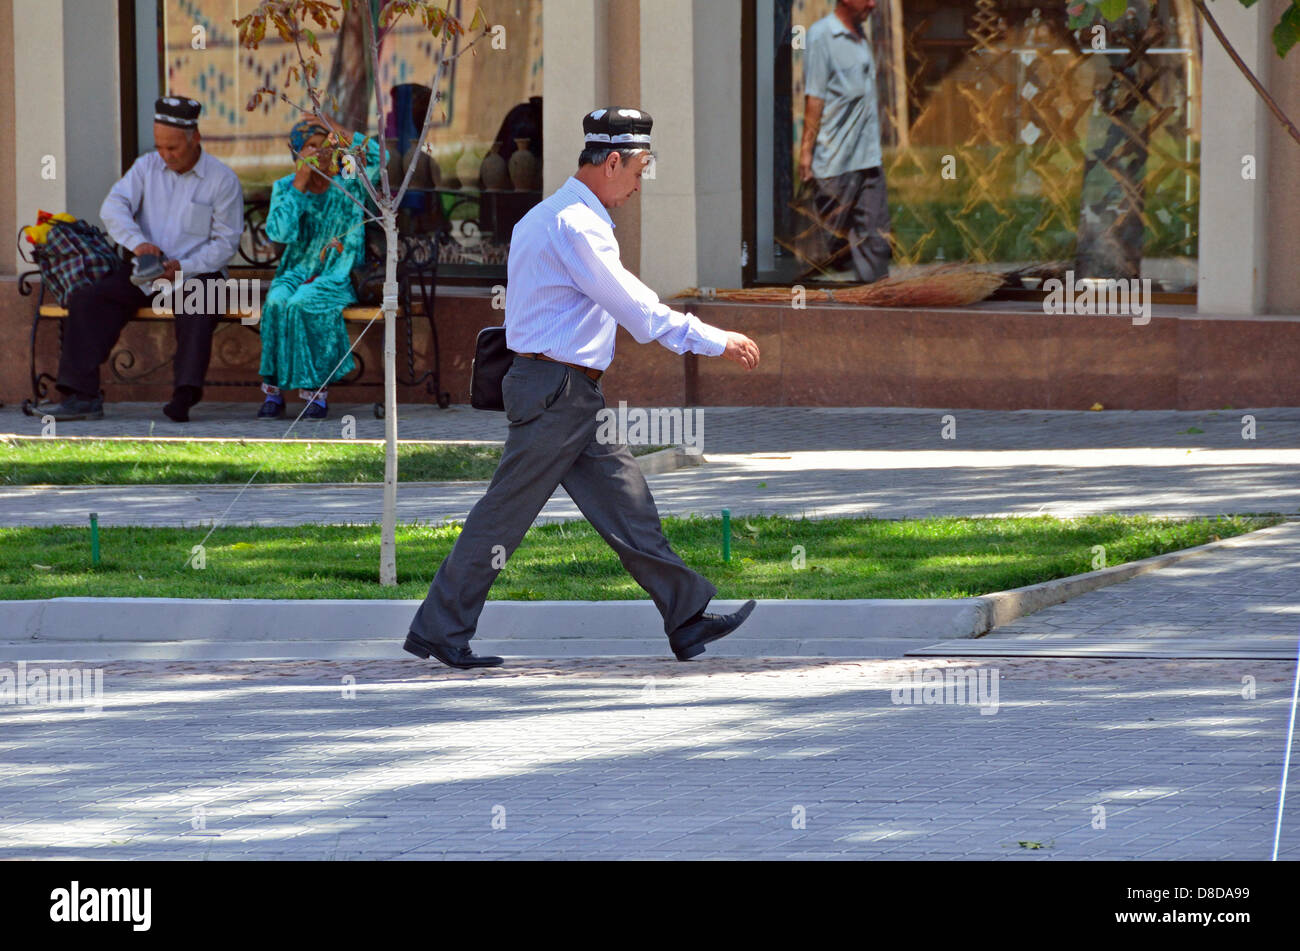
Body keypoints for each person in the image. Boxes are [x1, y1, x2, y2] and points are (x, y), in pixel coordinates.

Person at [404, 106, 762, 670]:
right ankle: (440, 629)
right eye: (639, 171)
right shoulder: (579, 226)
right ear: (612, 161)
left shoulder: (543, 217)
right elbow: (638, 311)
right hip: (557, 391)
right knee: (503, 515)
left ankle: (686, 616)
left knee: (628, 504)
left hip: (560, 390)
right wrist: (715, 339)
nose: (640, 185)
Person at [36, 97, 244, 422]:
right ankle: (82, 396)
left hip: (197, 272)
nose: (165, 155)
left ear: (196, 139)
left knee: (201, 303)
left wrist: (182, 268)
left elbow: (225, 243)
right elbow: (113, 207)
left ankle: (183, 397)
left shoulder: (222, 180)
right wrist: (139, 244)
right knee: (90, 299)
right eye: (160, 146)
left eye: (173, 148)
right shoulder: (146, 167)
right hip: (145, 270)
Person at [256, 116, 381, 420]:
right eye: (311, 146)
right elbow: (279, 233)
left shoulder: (349, 181)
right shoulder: (286, 187)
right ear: (297, 152)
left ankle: (316, 393)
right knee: (276, 301)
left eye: (326, 142)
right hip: (296, 270)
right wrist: (299, 184)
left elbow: (381, 158)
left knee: (304, 302)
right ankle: (273, 391)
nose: (321, 150)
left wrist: (342, 130)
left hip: (339, 274)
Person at [799, 0, 891, 283]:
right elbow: (814, 98)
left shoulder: (861, 35)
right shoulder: (821, 36)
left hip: (868, 160)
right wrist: (806, 153)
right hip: (836, 163)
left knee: (876, 242)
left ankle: (874, 308)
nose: (873, 4)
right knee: (825, 249)